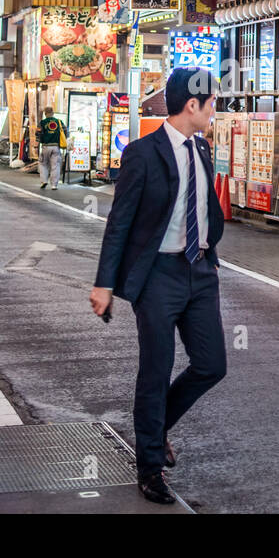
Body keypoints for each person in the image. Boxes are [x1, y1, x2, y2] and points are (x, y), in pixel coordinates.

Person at [89, 66, 226, 505]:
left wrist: (209, 251)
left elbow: (206, 209)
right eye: (212, 103)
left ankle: (154, 427)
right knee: (156, 370)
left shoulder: (202, 149)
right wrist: (104, 284)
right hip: (158, 278)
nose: (215, 110)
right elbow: (120, 223)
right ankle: (149, 467)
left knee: (212, 364)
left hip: (200, 272)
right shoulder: (143, 154)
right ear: (192, 105)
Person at [37, 106, 67, 190]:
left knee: (43, 164)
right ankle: (54, 185)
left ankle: (44, 181)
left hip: (46, 146)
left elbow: (38, 133)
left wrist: (39, 141)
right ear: (53, 113)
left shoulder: (42, 122)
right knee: (55, 165)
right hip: (56, 147)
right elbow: (65, 132)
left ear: (45, 114)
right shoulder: (59, 122)